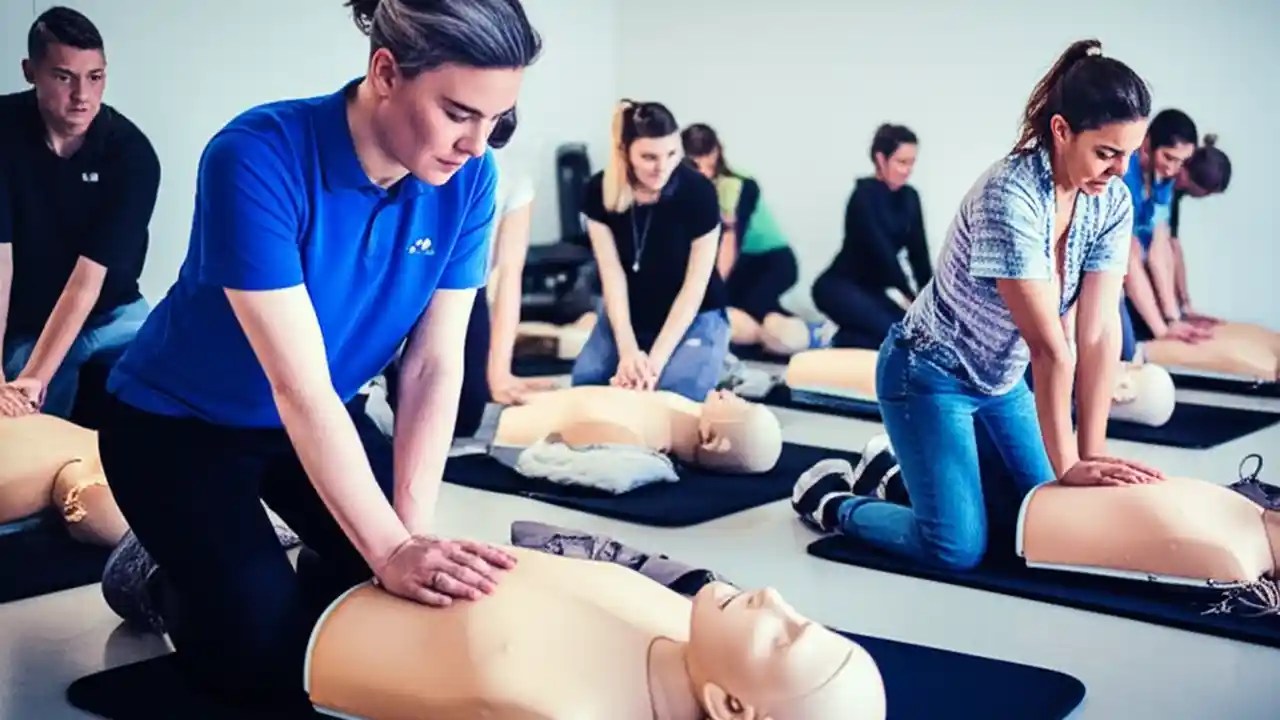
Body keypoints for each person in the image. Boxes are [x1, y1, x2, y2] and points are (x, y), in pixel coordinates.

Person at [93, 0, 541, 709]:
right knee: (270, 660)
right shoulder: (257, 156)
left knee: (372, 605)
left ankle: (250, 562)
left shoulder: (470, 181)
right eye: (459, 113)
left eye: (497, 121)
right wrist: (389, 550)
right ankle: (154, 575)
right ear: (386, 71)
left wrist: (409, 537)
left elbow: (431, 364)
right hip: (176, 431)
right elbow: (295, 385)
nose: (477, 146)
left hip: (312, 420)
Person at [794, 39, 1164, 572]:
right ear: (1061, 131)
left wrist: (1093, 454)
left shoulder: (1111, 200)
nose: (1120, 169)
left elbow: (1100, 331)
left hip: (1000, 381)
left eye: (1129, 153)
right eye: (1106, 153)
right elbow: (1050, 349)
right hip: (927, 373)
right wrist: (1071, 464)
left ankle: (892, 471)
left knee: (1040, 519)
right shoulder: (1009, 196)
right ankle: (833, 499)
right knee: (956, 549)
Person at [304, 546, 886, 719]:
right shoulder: (683, 621)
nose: (774, 600)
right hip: (389, 548)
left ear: (730, 706)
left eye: (781, 637)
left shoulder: (568, 711)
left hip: (304, 629)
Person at [0, 6, 159, 419]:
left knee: (177, 383)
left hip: (112, 312)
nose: (82, 96)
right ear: (29, 71)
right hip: (27, 323)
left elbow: (86, 284)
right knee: (23, 425)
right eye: (63, 77)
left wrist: (34, 379)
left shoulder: (132, 155)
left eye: (95, 77)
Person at [383, 147, 554, 436]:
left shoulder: (511, 174)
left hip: (463, 286)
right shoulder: (423, 159)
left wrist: (499, 373)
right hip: (404, 278)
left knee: (463, 420)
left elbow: (509, 274)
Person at [572, 101, 728, 401]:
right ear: (624, 152)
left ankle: (720, 361)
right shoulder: (598, 192)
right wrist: (628, 351)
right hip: (631, 311)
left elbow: (695, 288)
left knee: (670, 396)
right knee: (587, 385)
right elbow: (612, 277)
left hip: (695, 314)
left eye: (671, 154)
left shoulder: (699, 193)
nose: (663, 167)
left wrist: (652, 366)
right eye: (649, 157)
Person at [681, 123, 828, 356]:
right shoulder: (687, 186)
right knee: (733, 315)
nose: (702, 173)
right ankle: (775, 343)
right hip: (742, 265)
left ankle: (811, 334)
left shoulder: (739, 185)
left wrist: (713, 287)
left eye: (706, 165)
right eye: (693, 165)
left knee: (752, 305)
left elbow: (731, 242)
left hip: (773, 261)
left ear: (716, 153)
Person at [812, 124, 932, 350]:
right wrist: (912, 299)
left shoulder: (910, 198)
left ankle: (841, 336)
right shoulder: (863, 196)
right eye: (901, 162)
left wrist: (933, 303)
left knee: (914, 335)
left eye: (912, 162)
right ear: (880, 159)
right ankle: (833, 336)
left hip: (872, 293)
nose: (907, 170)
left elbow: (919, 255)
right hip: (838, 286)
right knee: (900, 333)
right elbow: (882, 253)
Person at [1118, 108, 1211, 359]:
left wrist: (1174, 317)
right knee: (1132, 246)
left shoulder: (1163, 183)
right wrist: (1161, 330)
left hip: (1136, 264)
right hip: (1117, 261)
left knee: (1165, 244)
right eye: (1168, 157)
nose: (1173, 169)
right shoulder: (1125, 173)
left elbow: (1160, 248)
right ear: (1148, 142)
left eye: (1181, 162)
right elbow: (1126, 252)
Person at [1167, 136, 1232, 324]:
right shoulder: (1164, 184)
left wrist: (1185, 303)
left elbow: (1174, 245)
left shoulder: (1175, 193)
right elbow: (1167, 246)